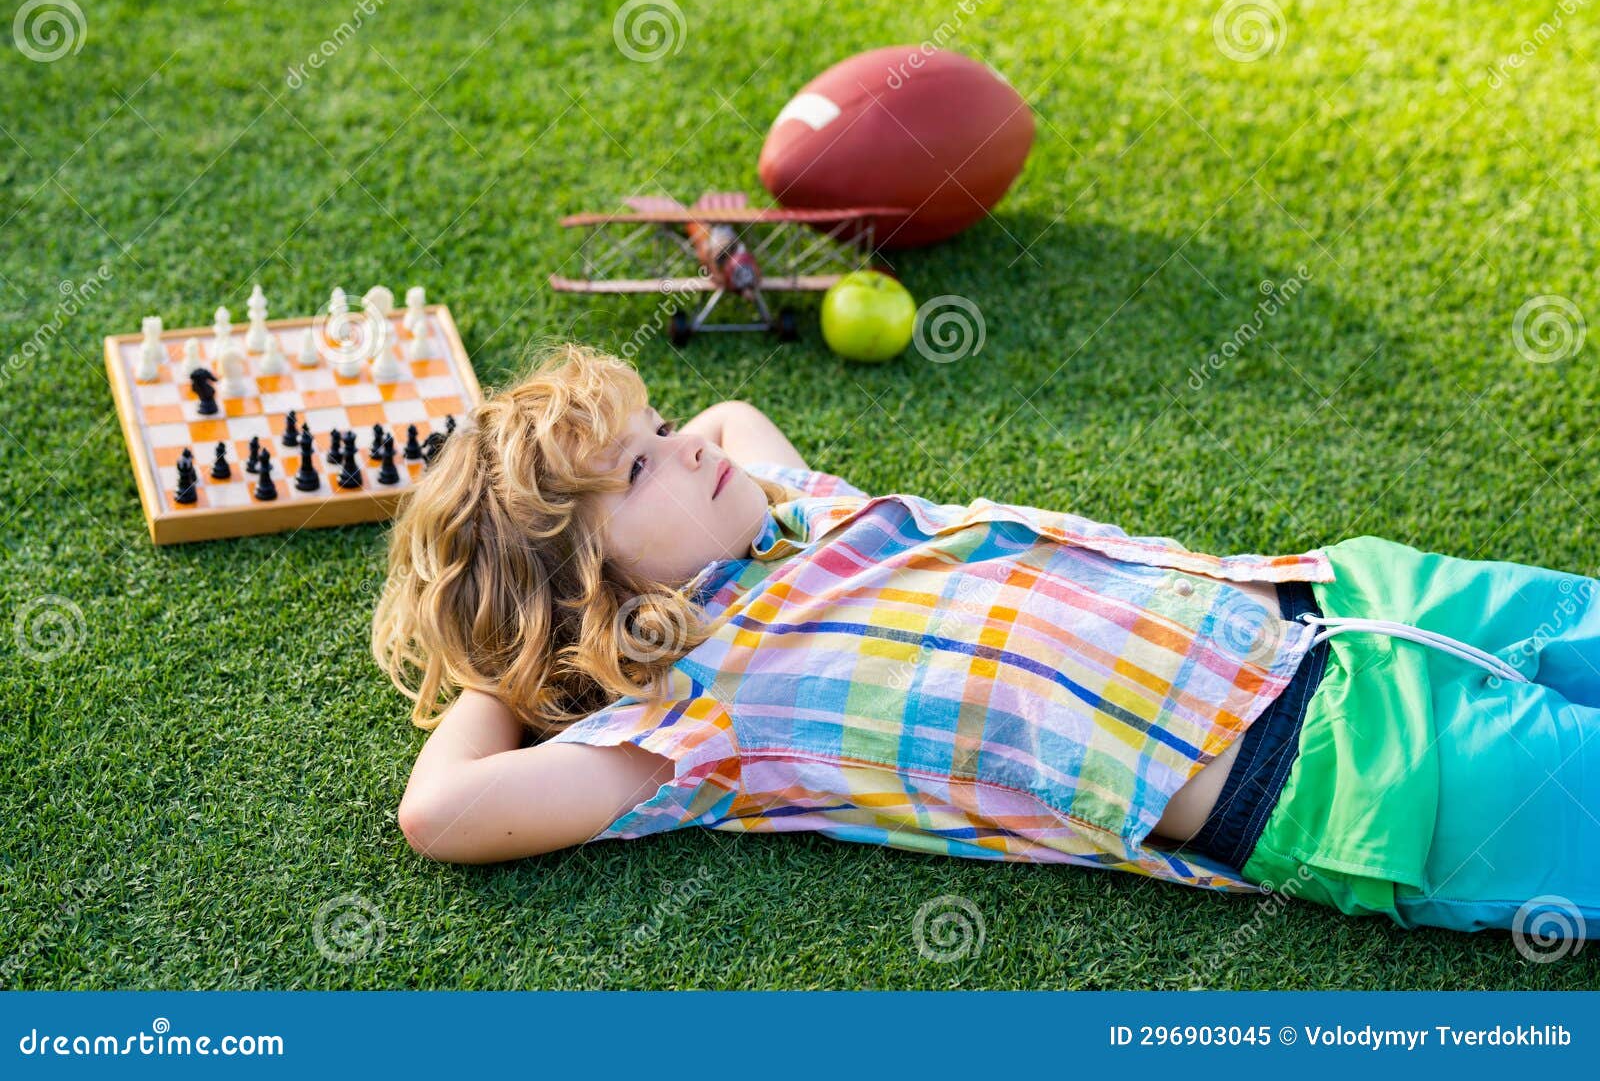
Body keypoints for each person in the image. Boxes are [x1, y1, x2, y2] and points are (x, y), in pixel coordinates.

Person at [371, 341, 1600, 938]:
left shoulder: (799, 512)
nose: (693, 440)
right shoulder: (703, 712)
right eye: (643, 461)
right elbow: (447, 811)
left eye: (662, 420)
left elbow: (737, 415)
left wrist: (632, 470)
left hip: (1347, 594)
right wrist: (515, 661)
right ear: (590, 585)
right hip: (1351, 774)